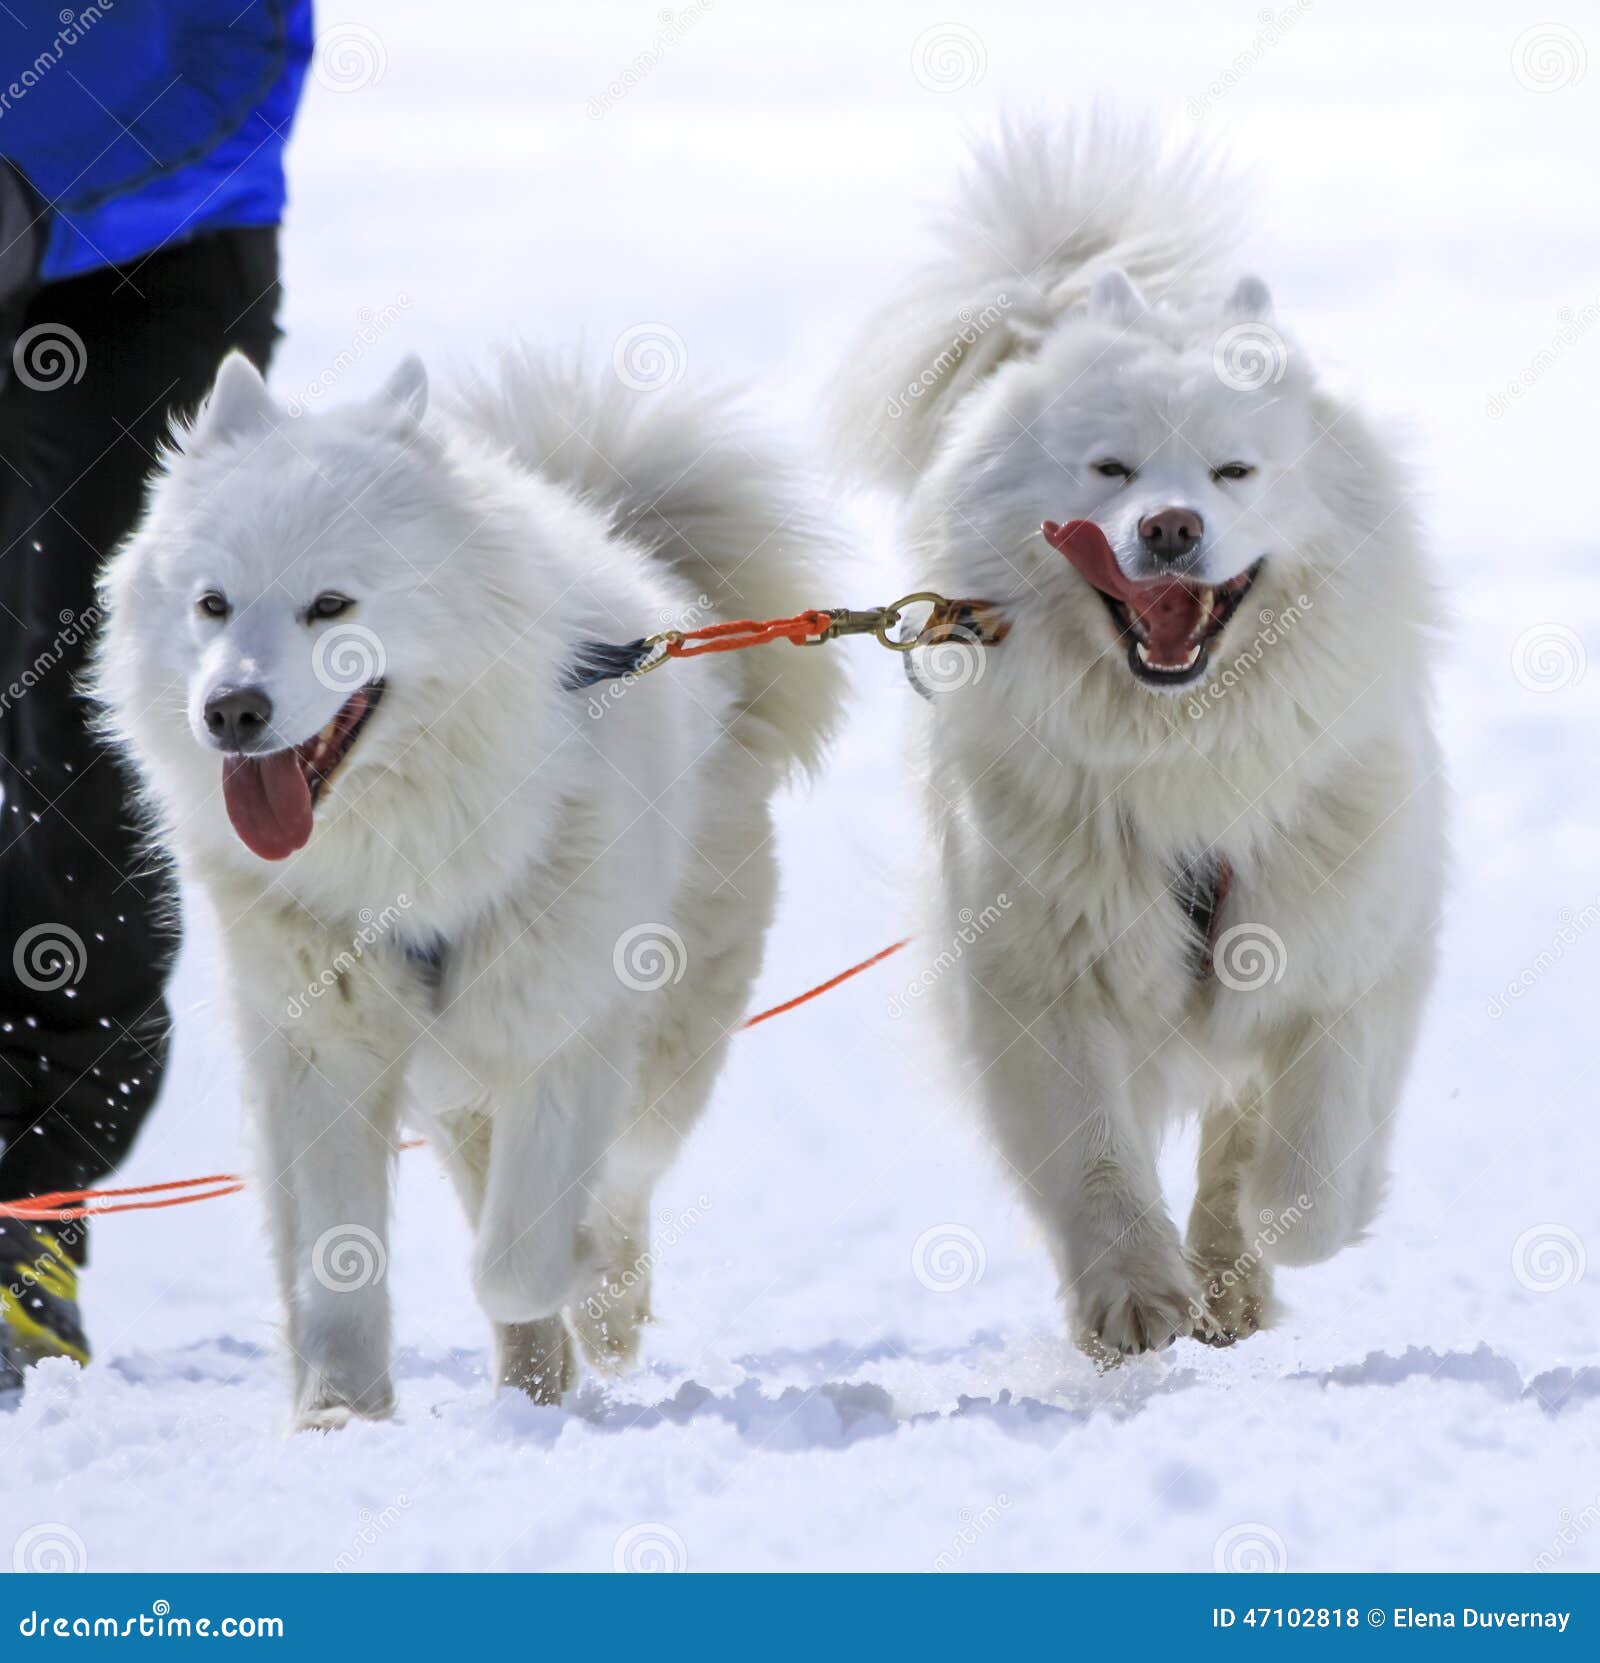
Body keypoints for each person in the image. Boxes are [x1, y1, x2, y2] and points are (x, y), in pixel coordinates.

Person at [0, 1, 312, 1391]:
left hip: (142, 262)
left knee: (85, 721)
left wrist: (34, 184)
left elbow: (241, 45)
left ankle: (24, 1206)